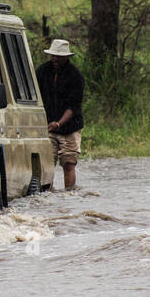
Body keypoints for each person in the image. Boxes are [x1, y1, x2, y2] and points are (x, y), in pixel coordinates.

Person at [36, 38, 84, 190]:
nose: (54, 59)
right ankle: (47, 195)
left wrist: (59, 123)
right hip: (48, 126)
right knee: (47, 163)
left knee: (68, 162)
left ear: (66, 57)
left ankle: (69, 194)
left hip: (70, 127)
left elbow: (73, 105)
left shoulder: (75, 75)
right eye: (53, 55)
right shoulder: (42, 71)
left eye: (58, 56)